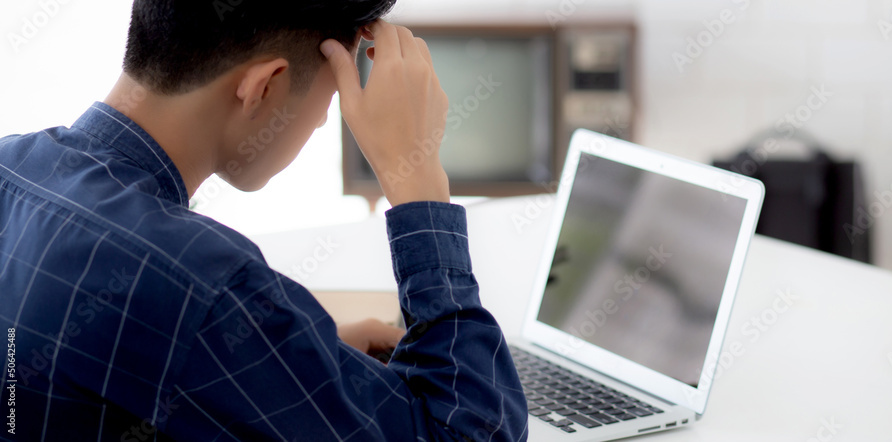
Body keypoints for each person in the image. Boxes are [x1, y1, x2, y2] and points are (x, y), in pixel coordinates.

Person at [0, 0, 527, 440]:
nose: (324, 118)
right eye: (334, 95)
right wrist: (417, 183)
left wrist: (281, 353)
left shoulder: (9, 165)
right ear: (264, 86)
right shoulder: (204, 284)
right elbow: (473, 430)